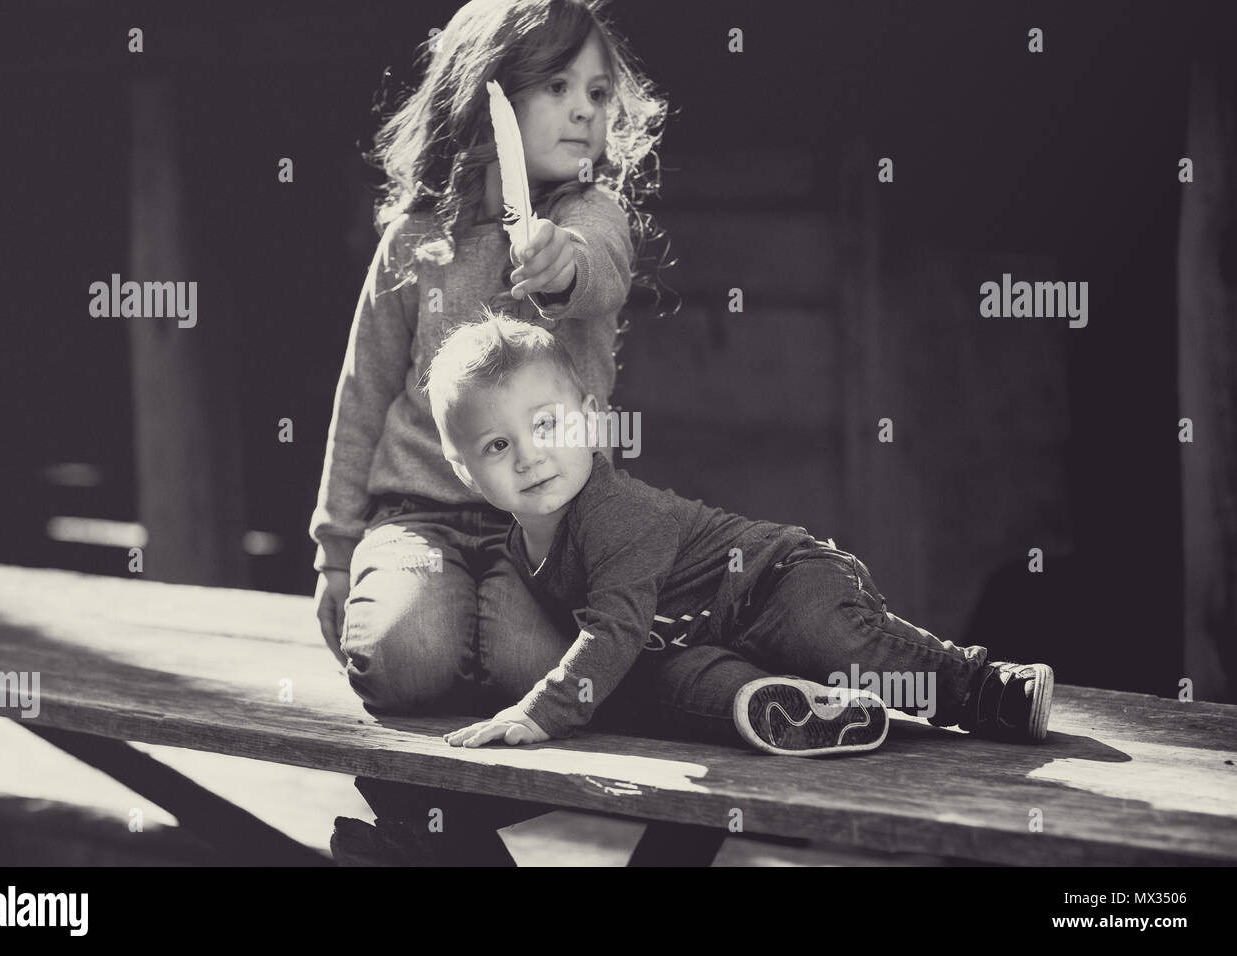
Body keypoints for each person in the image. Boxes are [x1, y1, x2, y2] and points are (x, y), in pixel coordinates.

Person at [422, 313, 1057, 755]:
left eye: (546, 425)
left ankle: (984, 689)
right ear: (462, 470)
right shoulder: (519, 545)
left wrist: (542, 710)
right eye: (497, 444)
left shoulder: (615, 513)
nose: (529, 456)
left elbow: (613, 629)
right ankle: (797, 709)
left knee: (826, 637)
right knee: (667, 686)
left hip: (778, 582)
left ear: (591, 422)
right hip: (701, 637)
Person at [310, 0, 668, 720]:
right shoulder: (413, 239)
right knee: (407, 658)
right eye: (558, 86)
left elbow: (594, 268)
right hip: (419, 515)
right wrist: (337, 552)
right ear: (487, 95)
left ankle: (473, 647)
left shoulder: (589, 217)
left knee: (534, 668)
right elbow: (363, 393)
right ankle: (444, 633)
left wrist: (559, 263)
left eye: (599, 92)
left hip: (550, 522)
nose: (585, 110)